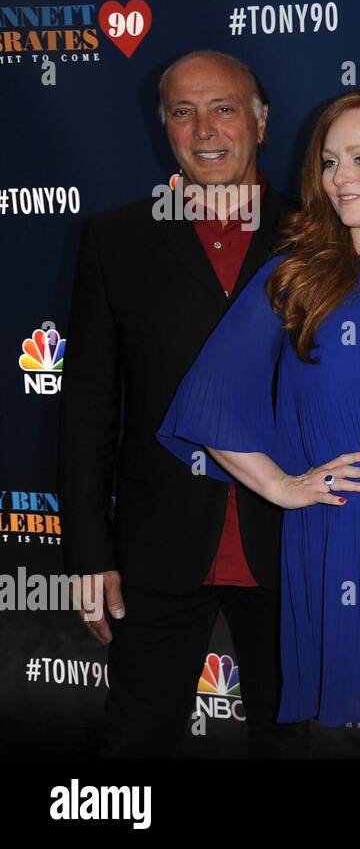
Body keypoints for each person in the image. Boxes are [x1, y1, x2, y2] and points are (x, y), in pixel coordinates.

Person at [157, 89, 360, 758]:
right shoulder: (296, 281)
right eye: (331, 162)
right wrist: (281, 485)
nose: (343, 178)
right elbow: (209, 398)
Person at [59, 50, 308, 758]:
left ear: (260, 122)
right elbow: (87, 406)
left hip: (291, 540)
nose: (205, 129)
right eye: (182, 112)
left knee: (288, 739)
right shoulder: (116, 240)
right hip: (157, 547)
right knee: (134, 740)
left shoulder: (320, 233)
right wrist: (89, 553)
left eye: (224, 108)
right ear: (163, 125)